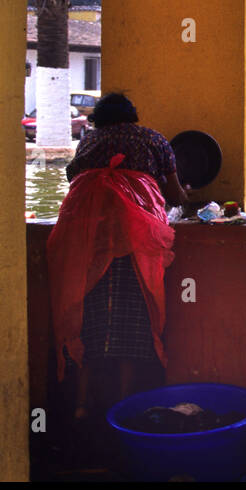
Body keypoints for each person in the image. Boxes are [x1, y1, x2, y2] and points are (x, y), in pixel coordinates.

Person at [48, 93, 190, 419]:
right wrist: (188, 194)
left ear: (99, 117)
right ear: (132, 115)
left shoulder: (89, 142)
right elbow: (173, 193)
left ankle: (82, 405)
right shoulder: (152, 139)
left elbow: (75, 180)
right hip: (133, 245)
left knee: (88, 319)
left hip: (88, 245)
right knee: (132, 323)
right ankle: (124, 406)